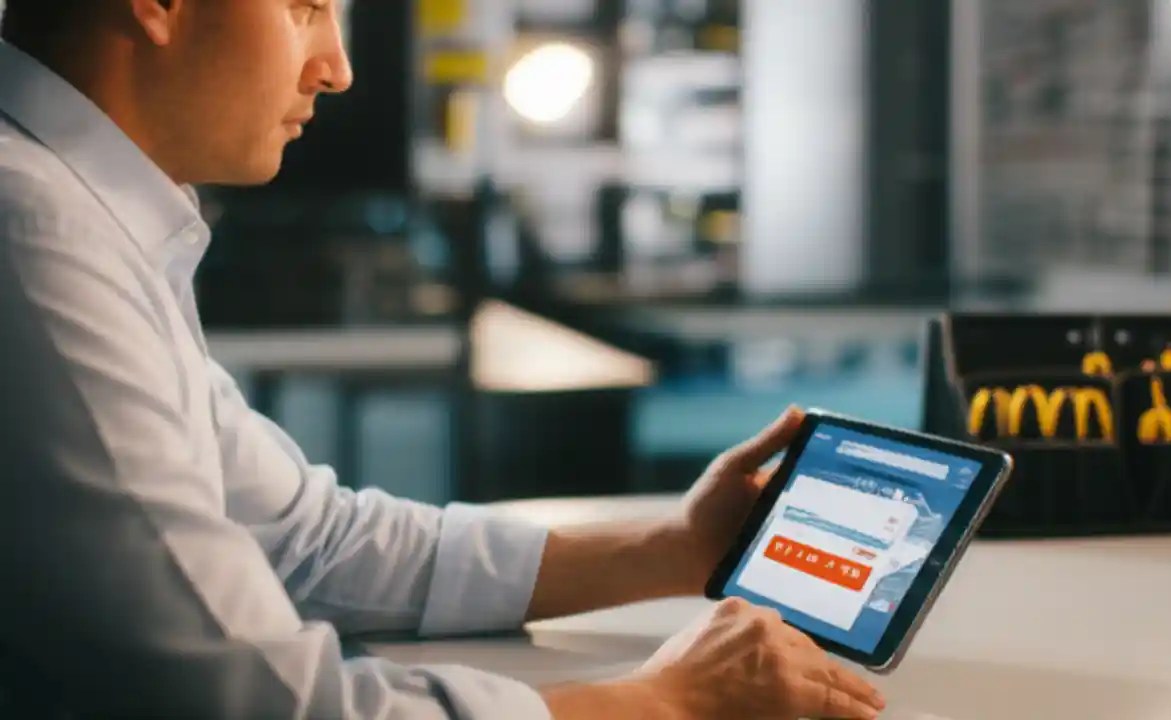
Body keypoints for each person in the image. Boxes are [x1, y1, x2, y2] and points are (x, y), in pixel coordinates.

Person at [0, 1, 887, 718]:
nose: (336, 67)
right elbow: (251, 703)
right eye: (306, 7)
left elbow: (307, 543)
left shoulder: (81, 220)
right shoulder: (35, 235)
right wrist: (660, 703)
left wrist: (677, 547)